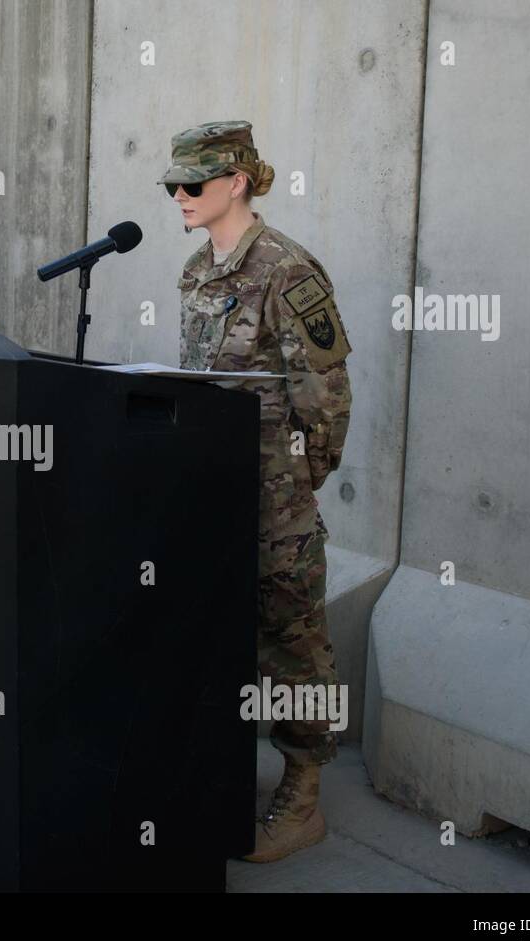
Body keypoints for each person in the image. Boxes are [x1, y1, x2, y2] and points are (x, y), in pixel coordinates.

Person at [160, 120, 352, 863]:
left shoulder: (287, 271)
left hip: (273, 500)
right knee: (219, 637)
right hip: (209, 490)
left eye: (193, 183)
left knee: (294, 639)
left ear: (236, 180)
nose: (179, 195)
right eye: (171, 184)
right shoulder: (197, 269)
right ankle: (219, 775)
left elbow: (327, 399)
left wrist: (290, 485)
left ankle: (302, 795)